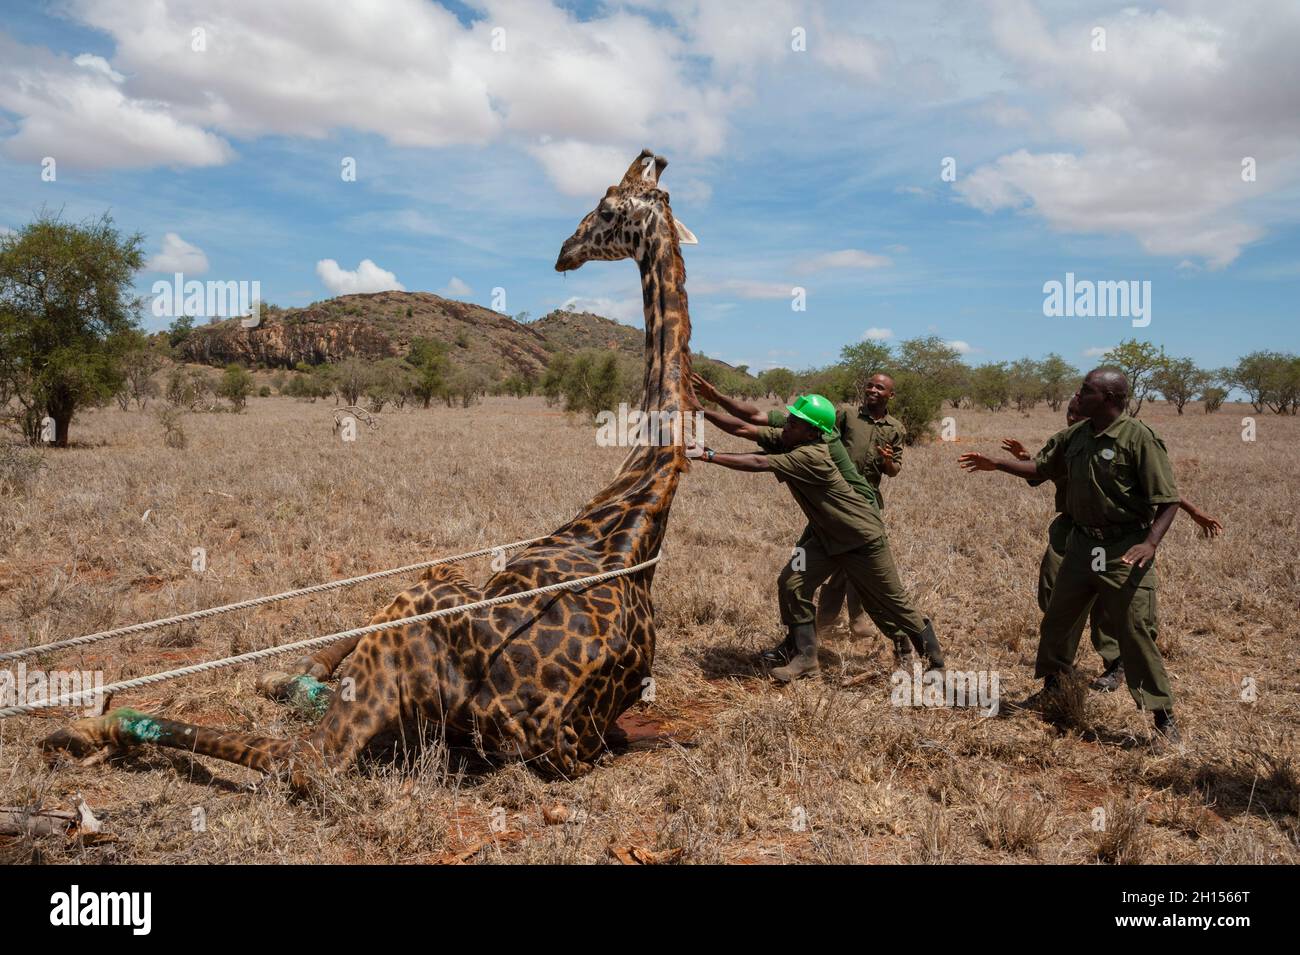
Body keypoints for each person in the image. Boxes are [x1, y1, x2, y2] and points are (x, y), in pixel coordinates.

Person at [958, 368, 1187, 743]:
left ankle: (1162, 717)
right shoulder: (1074, 436)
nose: (1078, 396)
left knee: (1135, 630)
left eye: (1087, 390)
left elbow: (1169, 500)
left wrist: (1151, 544)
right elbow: (1041, 469)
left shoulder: (1139, 438)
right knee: (1058, 620)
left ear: (1110, 398)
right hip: (1081, 545)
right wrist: (998, 464)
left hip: (1122, 549)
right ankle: (1053, 687)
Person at [689, 392, 945, 683]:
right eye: (790, 419)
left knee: (891, 601)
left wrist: (708, 454)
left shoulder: (811, 454)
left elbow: (759, 463)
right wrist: (703, 417)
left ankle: (934, 662)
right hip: (824, 537)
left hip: (861, 538)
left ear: (813, 431)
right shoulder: (795, 440)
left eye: (796, 422)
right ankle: (805, 657)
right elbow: (746, 432)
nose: (788, 424)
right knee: (792, 581)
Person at [1001, 397, 1223, 693]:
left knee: (1107, 605)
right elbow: (1041, 470)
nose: (1071, 418)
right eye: (1069, 413)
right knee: (1052, 594)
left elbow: (1161, 489)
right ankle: (1057, 670)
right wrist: (1020, 457)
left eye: (1077, 413)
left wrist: (1193, 511)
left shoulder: (1120, 441)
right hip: (1071, 531)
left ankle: (1116, 660)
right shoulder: (1071, 443)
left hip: (1111, 537)